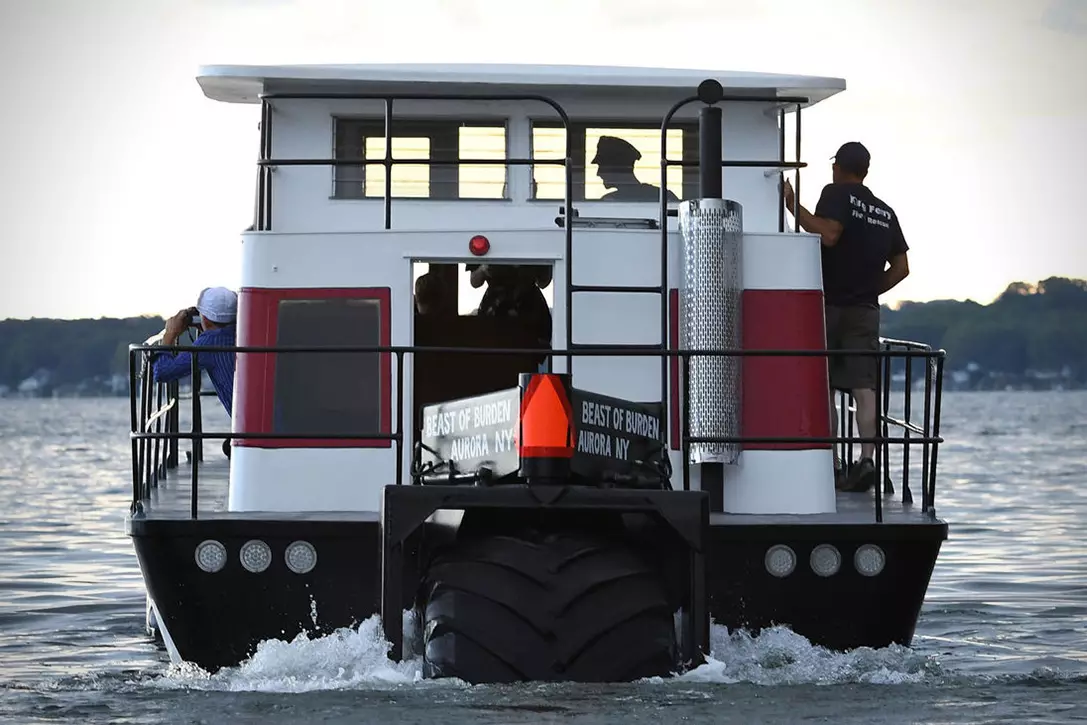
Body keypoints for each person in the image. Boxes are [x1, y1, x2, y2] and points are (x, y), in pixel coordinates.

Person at [782, 142, 910, 492]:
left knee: (823, 384)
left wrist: (793, 205)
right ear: (865, 170)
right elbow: (901, 268)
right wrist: (868, 290)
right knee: (863, 387)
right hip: (865, 310)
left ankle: (833, 460)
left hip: (828, 306)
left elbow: (829, 233)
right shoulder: (885, 211)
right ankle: (867, 459)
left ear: (838, 166)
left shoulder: (835, 193)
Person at [151, 287, 239, 458]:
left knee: (231, 446)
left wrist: (170, 335)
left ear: (203, 317)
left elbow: (162, 372)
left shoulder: (209, 343)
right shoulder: (242, 332)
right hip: (267, 424)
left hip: (250, 429)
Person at [592, 135, 679, 203]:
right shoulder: (663, 196)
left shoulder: (664, 197)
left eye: (602, 167)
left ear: (617, 167)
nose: (598, 173)